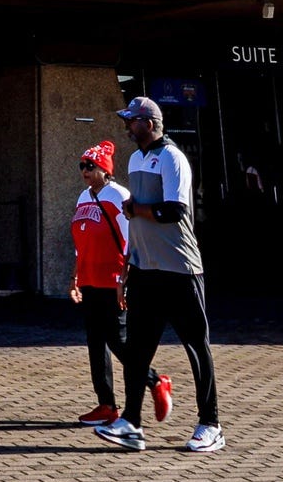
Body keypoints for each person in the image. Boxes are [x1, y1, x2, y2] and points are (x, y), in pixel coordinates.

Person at [95, 97, 224, 453]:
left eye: (132, 121)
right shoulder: (135, 158)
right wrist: (126, 269)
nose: (126, 126)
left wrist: (136, 209)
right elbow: (137, 221)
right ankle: (131, 424)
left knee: (196, 347)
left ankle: (211, 423)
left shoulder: (172, 158)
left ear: (149, 123)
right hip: (144, 270)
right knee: (137, 352)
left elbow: (173, 211)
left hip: (180, 270)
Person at [68, 140, 167, 427]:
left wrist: (125, 278)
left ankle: (155, 380)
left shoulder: (118, 195)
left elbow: (130, 240)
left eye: (91, 166)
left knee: (118, 340)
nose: (85, 171)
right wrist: (75, 276)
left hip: (113, 280)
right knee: (95, 342)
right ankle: (106, 403)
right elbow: (80, 243)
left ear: (105, 170)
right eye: (82, 166)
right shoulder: (82, 198)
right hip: (89, 279)